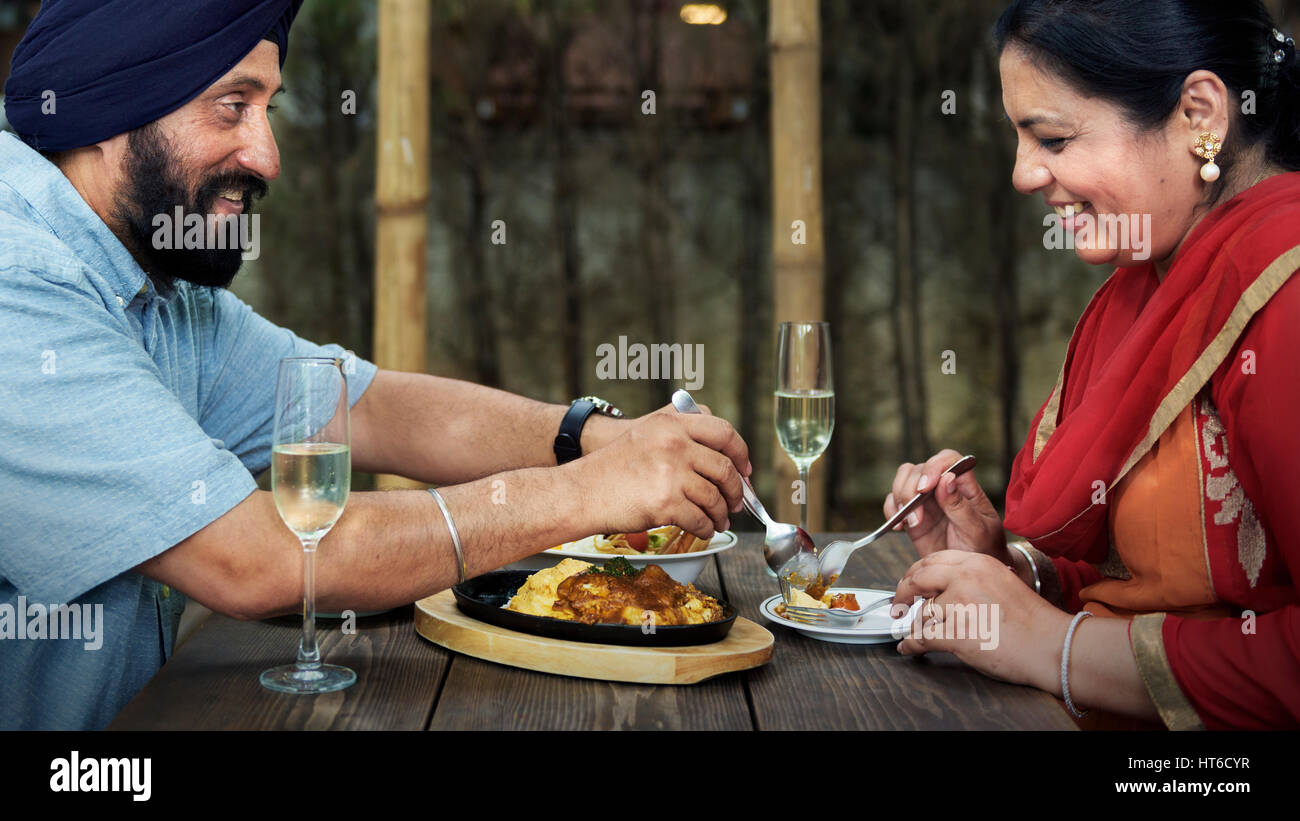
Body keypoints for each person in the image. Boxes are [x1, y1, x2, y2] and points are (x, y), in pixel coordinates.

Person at [0, 1, 750, 730]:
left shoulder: (148, 279)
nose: (268, 156)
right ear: (103, 112)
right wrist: (585, 494)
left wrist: (595, 438)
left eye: (268, 108)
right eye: (232, 107)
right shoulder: (18, 284)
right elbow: (253, 560)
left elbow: (365, 406)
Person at [882, 0, 1300, 730]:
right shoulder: (1147, 288)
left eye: (1052, 136)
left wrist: (1053, 644)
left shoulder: (1284, 296)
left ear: (1200, 113)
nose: (1022, 174)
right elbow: (1150, 588)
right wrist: (1014, 574)